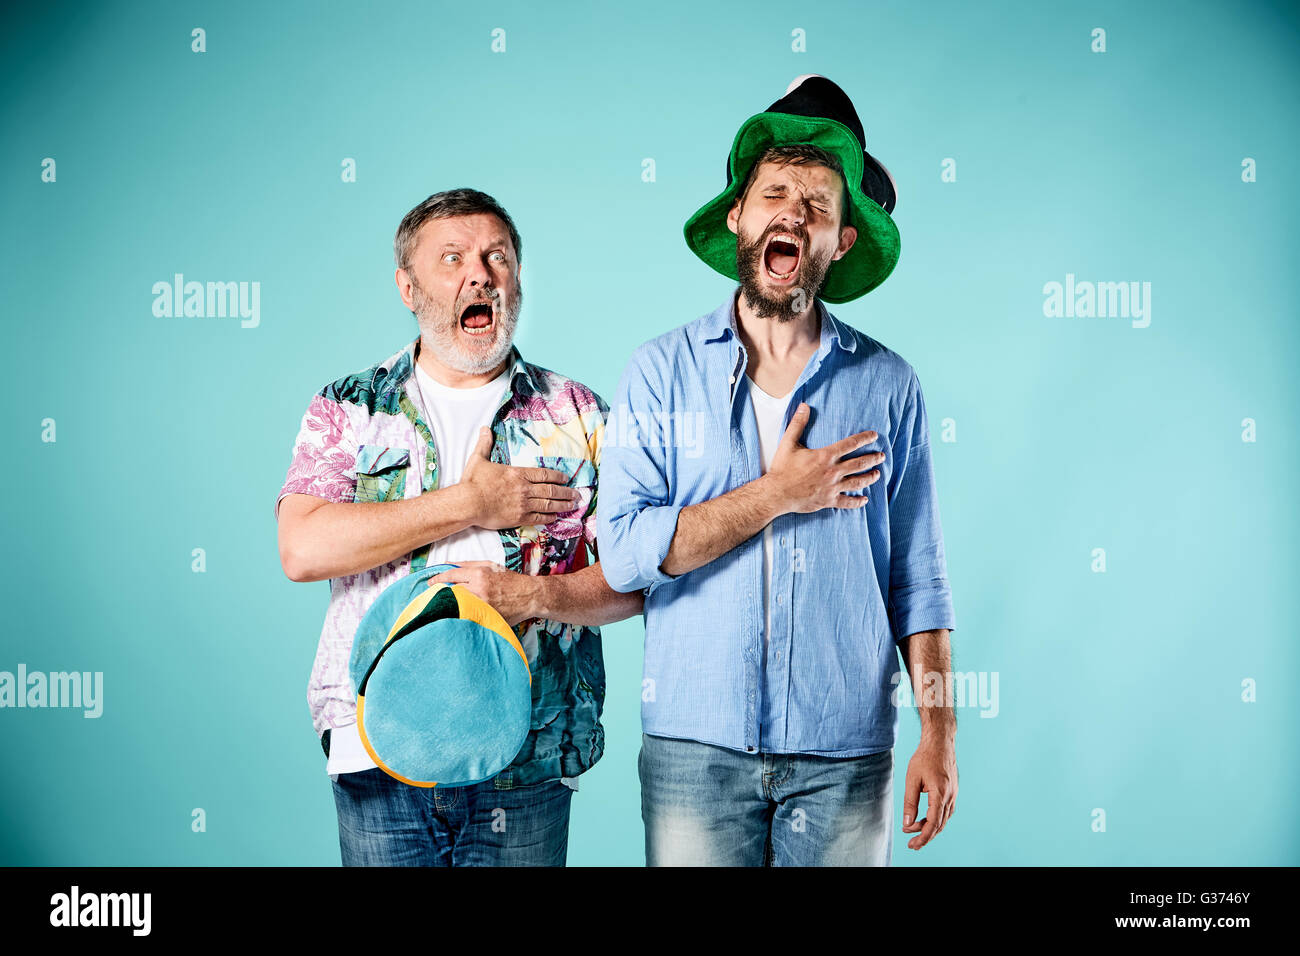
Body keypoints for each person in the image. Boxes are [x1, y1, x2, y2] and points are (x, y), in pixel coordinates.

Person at [597, 75, 958, 866]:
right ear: (739, 217)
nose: (793, 212)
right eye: (775, 193)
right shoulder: (658, 372)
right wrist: (776, 495)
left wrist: (940, 730)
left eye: (818, 205)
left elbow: (920, 581)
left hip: (845, 757)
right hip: (694, 749)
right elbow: (624, 555)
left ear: (842, 243)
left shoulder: (889, 385)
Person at [276, 187, 642, 866]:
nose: (480, 273)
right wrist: (468, 504)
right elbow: (302, 548)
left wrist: (535, 597)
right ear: (407, 287)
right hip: (376, 753)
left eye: (496, 257)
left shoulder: (582, 415)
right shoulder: (352, 407)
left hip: (529, 755)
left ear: (517, 280)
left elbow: (634, 582)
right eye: (452, 259)